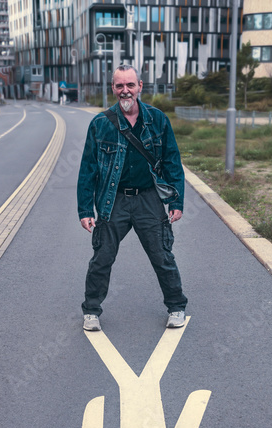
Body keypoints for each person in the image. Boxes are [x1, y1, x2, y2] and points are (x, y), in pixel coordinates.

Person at [77, 64, 188, 332]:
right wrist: (85, 210)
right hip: (113, 201)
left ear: (140, 86)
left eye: (130, 85)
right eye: (119, 86)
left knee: (162, 255)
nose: (124, 90)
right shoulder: (101, 124)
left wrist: (176, 202)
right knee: (102, 258)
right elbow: (87, 169)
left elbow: (173, 161)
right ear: (113, 88)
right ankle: (91, 311)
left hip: (149, 199)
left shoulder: (158, 120)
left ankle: (176, 307)